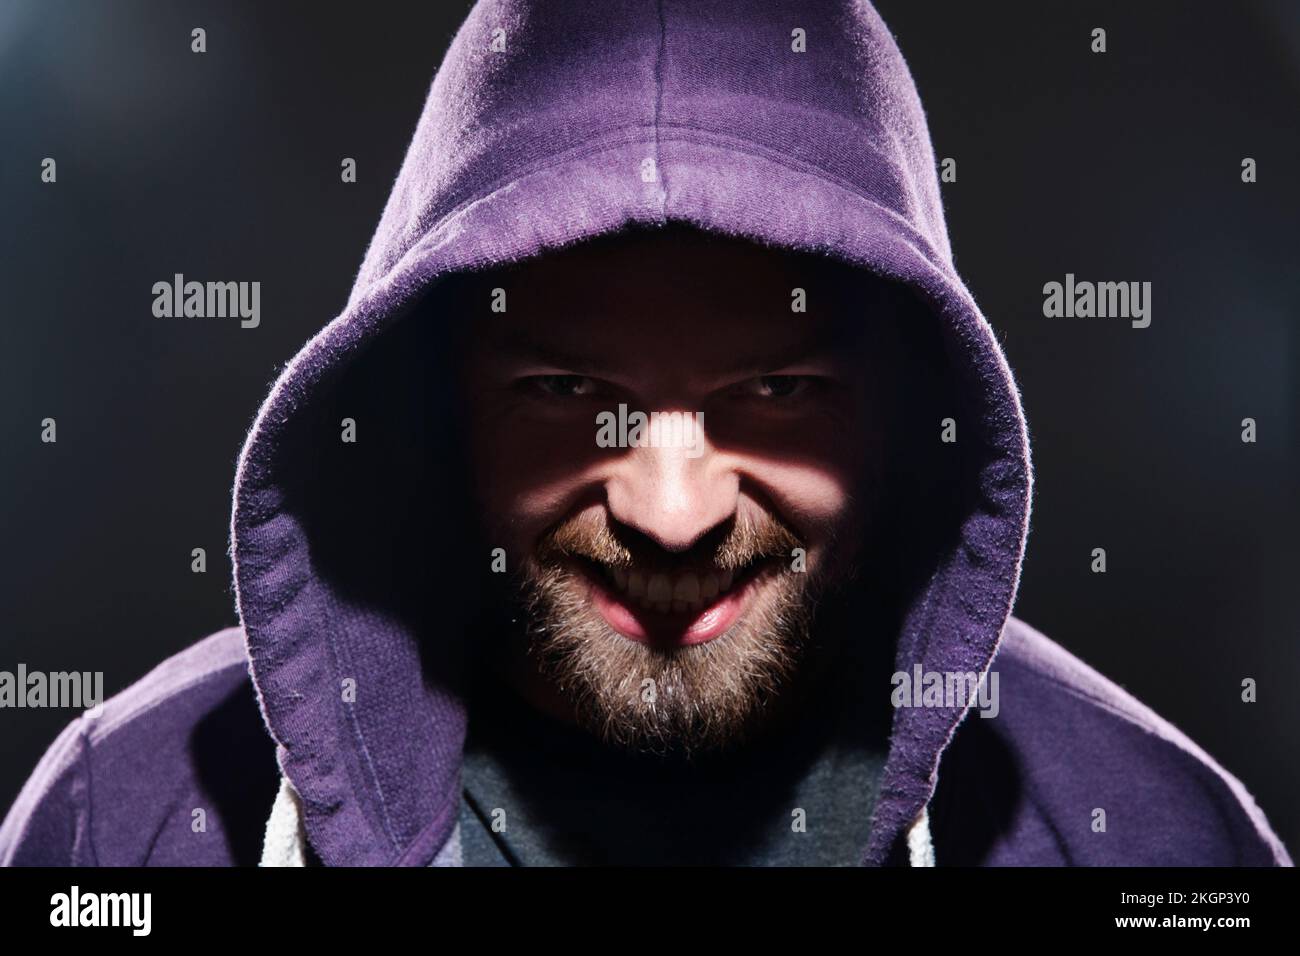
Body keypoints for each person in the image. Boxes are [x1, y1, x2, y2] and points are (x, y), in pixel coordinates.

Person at [1, 0, 1289, 867]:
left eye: (777, 389)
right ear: (430, 409)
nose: (673, 513)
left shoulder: (1149, 839)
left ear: (904, 415)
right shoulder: (128, 823)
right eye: (565, 390)